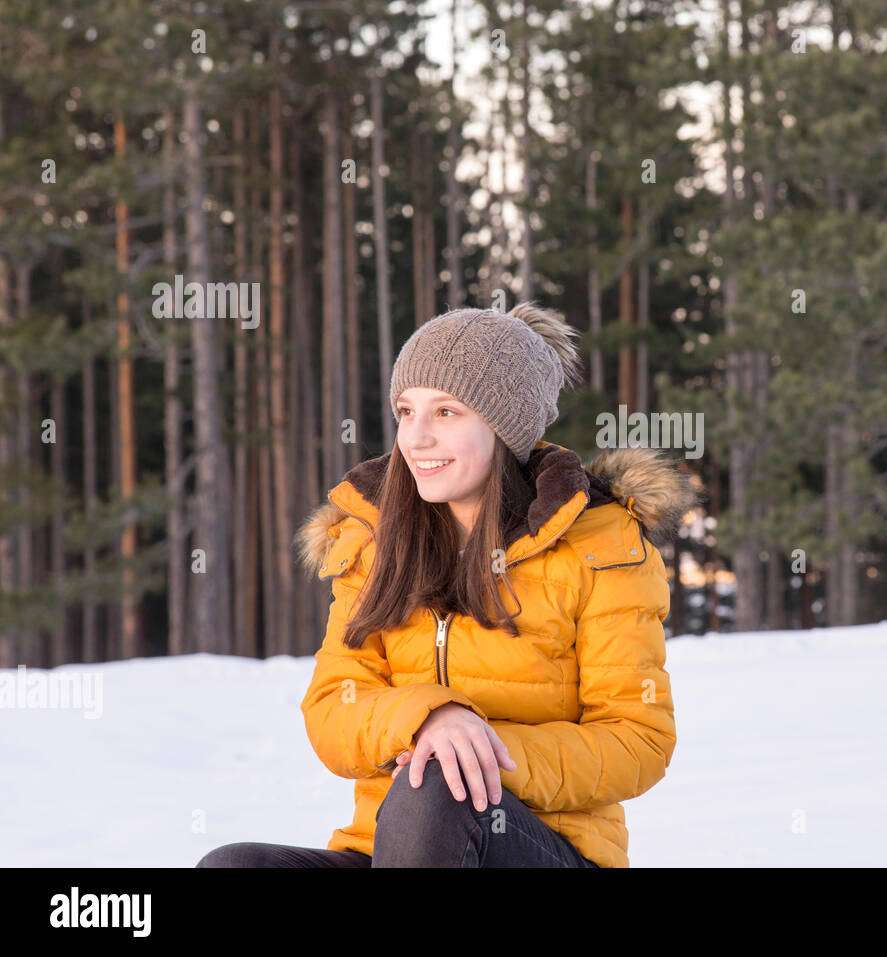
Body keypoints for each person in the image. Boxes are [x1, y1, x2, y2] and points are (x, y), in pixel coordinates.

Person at [197, 301, 698, 868]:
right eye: (406, 411)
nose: (416, 438)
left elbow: (638, 740)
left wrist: (479, 752)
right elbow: (333, 709)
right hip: (391, 851)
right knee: (235, 866)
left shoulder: (600, 545)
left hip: (541, 850)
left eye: (447, 412)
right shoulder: (373, 542)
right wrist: (429, 716)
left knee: (437, 787)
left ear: (504, 428)